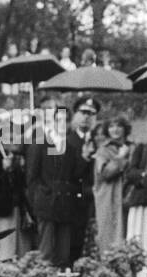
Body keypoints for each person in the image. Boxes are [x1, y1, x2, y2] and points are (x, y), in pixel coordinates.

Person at [26, 96, 95, 267]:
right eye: (59, 120)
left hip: (66, 204)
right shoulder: (40, 143)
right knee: (46, 250)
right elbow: (32, 178)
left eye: (66, 121)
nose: (62, 124)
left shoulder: (71, 146)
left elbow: (75, 174)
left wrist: (85, 158)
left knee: (63, 252)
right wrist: (39, 199)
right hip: (46, 203)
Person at [0, 138, 34, 257]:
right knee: (4, 250)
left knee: (22, 251)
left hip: (20, 211)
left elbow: (26, 183)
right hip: (2, 209)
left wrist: (21, 169)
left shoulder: (21, 157)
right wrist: (3, 170)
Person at [94, 117, 131, 254]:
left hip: (128, 196)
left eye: (118, 126)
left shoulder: (132, 147)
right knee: (110, 236)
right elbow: (105, 174)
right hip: (109, 198)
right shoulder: (103, 150)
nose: (115, 130)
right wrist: (120, 157)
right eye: (111, 126)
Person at [123, 138, 147, 257]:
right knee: (139, 237)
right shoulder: (142, 148)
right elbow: (130, 173)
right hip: (142, 201)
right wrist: (143, 174)